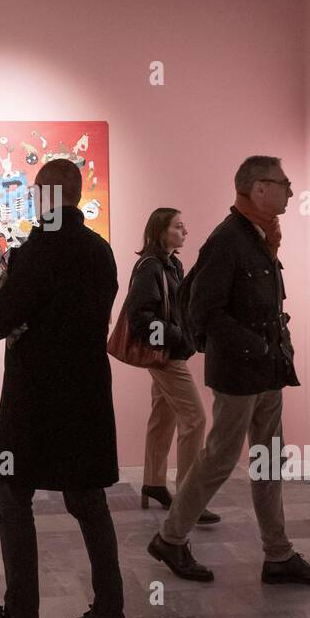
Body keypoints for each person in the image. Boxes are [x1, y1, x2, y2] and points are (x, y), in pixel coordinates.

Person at [148, 155, 310, 587]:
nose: (291, 190)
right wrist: (253, 345)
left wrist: (271, 350)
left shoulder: (260, 236)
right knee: (219, 458)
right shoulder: (228, 239)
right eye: (283, 183)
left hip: (268, 370)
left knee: (269, 460)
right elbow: (203, 312)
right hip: (238, 372)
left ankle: (278, 554)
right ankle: (171, 537)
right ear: (257, 188)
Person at [0, 158, 129, 618]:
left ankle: (20, 615)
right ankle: (110, 615)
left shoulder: (35, 252)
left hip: (34, 401)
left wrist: (21, 319)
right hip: (86, 396)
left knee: (12, 495)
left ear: (42, 197)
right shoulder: (101, 251)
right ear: (77, 196)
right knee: (88, 501)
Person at [126, 207, 217, 524]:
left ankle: (153, 483)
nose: (185, 232)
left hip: (171, 351)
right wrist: (177, 337)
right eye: (178, 227)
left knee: (162, 417)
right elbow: (140, 319)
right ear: (161, 231)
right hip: (165, 355)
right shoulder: (150, 268)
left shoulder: (172, 264)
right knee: (195, 417)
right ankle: (189, 499)